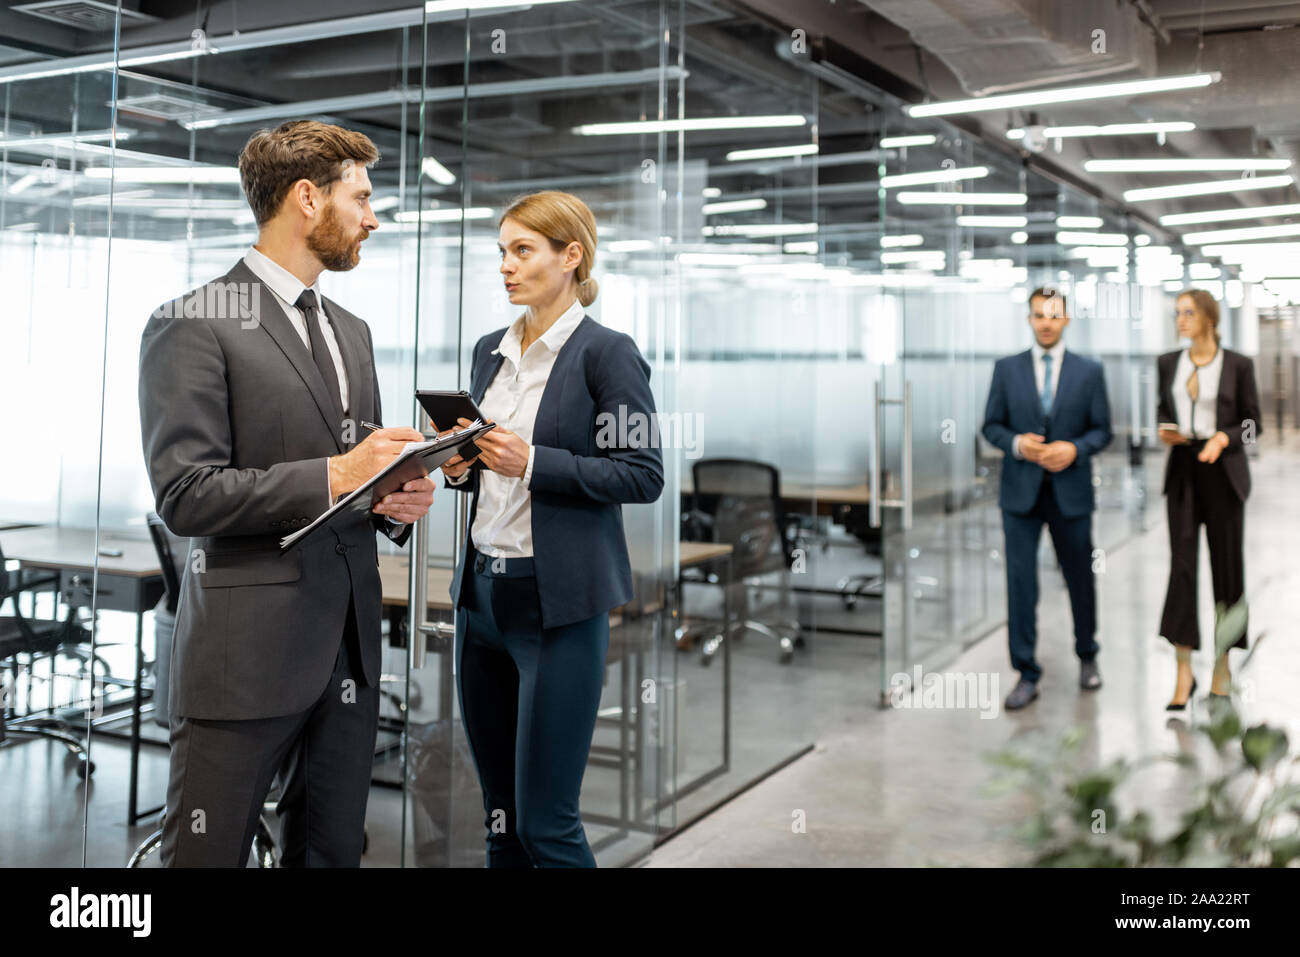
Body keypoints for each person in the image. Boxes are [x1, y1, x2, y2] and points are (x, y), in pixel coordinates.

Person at [138, 120, 436, 866]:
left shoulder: (352, 330)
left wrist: (386, 499)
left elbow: (353, 479)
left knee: (331, 852)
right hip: (245, 659)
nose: (373, 217)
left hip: (348, 649)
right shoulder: (192, 323)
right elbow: (187, 493)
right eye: (361, 197)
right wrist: (339, 473)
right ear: (308, 197)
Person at [439, 190, 663, 867]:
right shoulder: (491, 352)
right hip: (481, 599)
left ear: (571, 257)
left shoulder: (608, 354)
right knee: (500, 822)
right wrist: (457, 466)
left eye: (522, 250)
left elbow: (642, 473)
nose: (506, 266)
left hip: (555, 604)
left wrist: (535, 462)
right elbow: (487, 471)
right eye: (502, 252)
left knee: (546, 824)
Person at [982, 287, 1113, 711]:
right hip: (1020, 494)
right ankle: (1026, 671)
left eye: (1053, 315)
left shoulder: (1089, 372)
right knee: (1020, 584)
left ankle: (1087, 655)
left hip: (1070, 492)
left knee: (1079, 578)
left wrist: (1074, 449)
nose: (1045, 322)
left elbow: (1102, 430)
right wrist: (1019, 444)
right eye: (1038, 315)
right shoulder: (1007, 369)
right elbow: (991, 425)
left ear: (1066, 320)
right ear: (1030, 319)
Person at [1156, 289, 1262, 708]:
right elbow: (1162, 411)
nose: (1180, 320)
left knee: (1227, 571)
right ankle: (1184, 672)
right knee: (1181, 570)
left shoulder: (1238, 364)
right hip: (1183, 470)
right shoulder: (1168, 363)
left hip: (1223, 475)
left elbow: (1254, 427)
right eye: (1177, 313)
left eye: (1188, 313)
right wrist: (1166, 429)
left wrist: (1225, 436)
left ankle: (1221, 665)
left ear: (1209, 318)